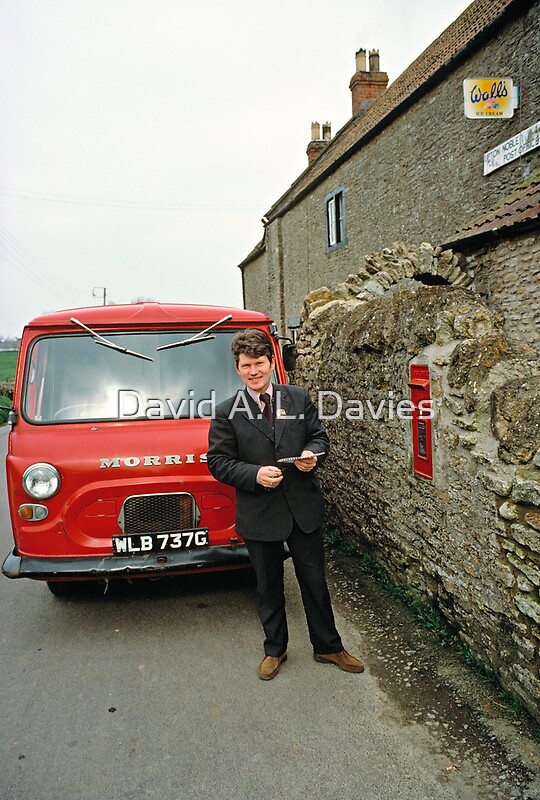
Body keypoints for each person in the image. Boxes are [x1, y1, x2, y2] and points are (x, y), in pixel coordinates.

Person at [207, 329, 364, 680]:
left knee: (315, 583)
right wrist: (254, 474)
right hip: (259, 513)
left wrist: (313, 455)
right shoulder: (225, 412)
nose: (254, 371)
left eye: (259, 364)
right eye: (246, 366)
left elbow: (319, 437)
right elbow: (218, 462)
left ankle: (328, 646)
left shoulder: (297, 397)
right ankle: (275, 650)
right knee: (268, 586)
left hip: (302, 509)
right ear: (237, 368)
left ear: (270, 364)